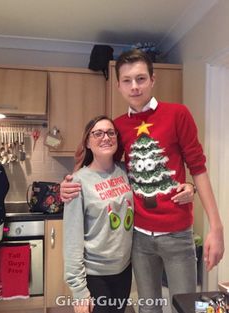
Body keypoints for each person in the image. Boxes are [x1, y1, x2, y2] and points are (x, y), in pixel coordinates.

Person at [61, 49, 224, 313]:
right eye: (127, 80)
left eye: (140, 78)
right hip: (137, 238)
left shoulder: (178, 114)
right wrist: (68, 183)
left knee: (186, 307)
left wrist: (216, 227)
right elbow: (107, 166)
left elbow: (198, 166)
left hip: (177, 233)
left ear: (152, 79)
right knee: (149, 308)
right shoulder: (118, 127)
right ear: (118, 85)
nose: (134, 86)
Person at [63, 115, 134, 313]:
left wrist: (189, 186)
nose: (106, 137)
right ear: (87, 141)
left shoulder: (124, 171)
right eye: (98, 133)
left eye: (111, 133)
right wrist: (79, 291)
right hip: (95, 275)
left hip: (124, 270)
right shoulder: (77, 182)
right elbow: (72, 240)